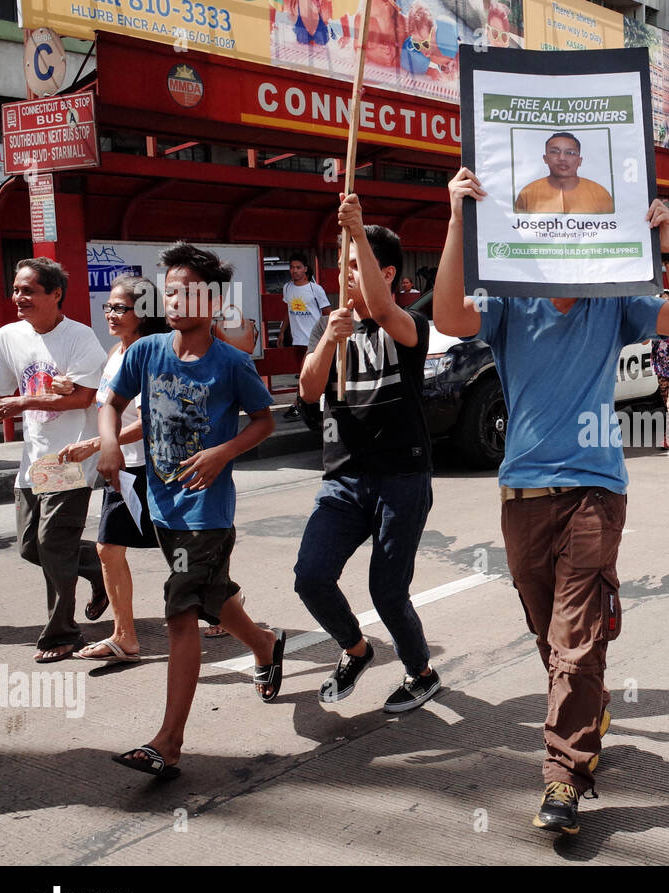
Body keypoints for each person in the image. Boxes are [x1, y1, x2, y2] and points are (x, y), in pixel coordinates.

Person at [434, 166, 669, 835]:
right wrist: (455, 221)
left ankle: (563, 777)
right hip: (521, 492)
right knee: (552, 639)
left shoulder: (611, 299)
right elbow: (445, 315)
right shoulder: (509, 300)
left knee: (575, 640)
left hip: (594, 489)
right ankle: (589, 711)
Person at [98, 242, 285, 779]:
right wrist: (108, 444)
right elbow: (110, 403)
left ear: (213, 300)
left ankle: (168, 742)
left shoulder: (232, 362)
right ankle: (264, 643)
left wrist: (223, 452)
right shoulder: (147, 351)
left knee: (182, 610)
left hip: (207, 512)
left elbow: (264, 420)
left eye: (188, 291)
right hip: (163, 505)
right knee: (212, 596)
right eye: (171, 290)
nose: (176, 300)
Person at [293, 194, 441, 713]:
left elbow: (380, 307)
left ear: (389, 272)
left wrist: (356, 229)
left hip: (402, 475)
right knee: (310, 575)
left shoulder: (408, 324)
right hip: (344, 478)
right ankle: (356, 650)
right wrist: (329, 341)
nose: (345, 274)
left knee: (387, 590)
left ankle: (421, 670)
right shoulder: (328, 323)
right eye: (342, 264)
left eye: (355, 265)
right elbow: (309, 392)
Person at [0, 258, 107, 663]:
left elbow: (83, 398)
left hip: (70, 455)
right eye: (17, 290)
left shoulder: (79, 337)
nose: (19, 298)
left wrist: (23, 400)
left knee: (53, 543)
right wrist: (12, 403)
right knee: (29, 548)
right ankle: (95, 565)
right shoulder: (8, 336)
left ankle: (62, 633)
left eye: (29, 291)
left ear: (55, 294)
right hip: (32, 458)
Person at [55, 276, 169, 665]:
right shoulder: (115, 354)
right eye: (108, 307)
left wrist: (96, 445)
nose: (111, 314)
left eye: (121, 308)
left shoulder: (153, 356)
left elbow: (152, 420)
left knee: (181, 553)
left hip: (152, 470)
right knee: (108, 550)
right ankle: (125, 636)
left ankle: (227, 600)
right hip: (121, 468)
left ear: (145, 314)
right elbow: (110, 409)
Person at [515, 132, 614, 214]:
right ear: (545, 159)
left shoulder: (600, 194)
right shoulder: (528, 193)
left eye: (570, 153)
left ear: (580, 161)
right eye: (554, 152)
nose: (562, 158)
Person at [282, 253, 330, 350]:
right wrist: (281, 333)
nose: (294, 271)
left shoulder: (316, 289)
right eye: (292, 267)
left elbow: (327, 314)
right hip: (297, 341)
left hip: (315, 340)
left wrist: (327, 336)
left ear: (305, 269)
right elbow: (289, 311)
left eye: (298, 267)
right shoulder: (287, 287)